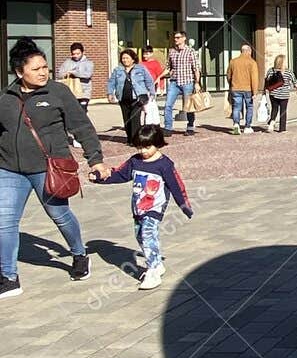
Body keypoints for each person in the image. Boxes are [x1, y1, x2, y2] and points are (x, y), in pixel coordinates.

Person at [1, 38, 103, 297]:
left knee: (59, 216)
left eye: (45, 67)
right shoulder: (6, 97)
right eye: (36, 69)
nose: (43, 72)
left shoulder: (58, 92)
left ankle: (79, 255)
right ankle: (9, 277)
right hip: (10, 169)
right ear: (19, 72)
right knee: (5, 222)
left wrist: (96, 159)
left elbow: (82, 127)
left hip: (48, 168)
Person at [90, 123, 193, 291]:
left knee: (147, 235)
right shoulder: (135, 161)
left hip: (154, 208)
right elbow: (120, 174)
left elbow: (176, 185)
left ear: (158, 143)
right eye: (139, 147)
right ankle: (158, 263)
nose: (143, 151)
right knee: (139, 235)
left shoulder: (164, 164)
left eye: (147, 147)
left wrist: (184, 205)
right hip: (138, 207)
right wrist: (101, 178)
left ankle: (152, 271)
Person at [107, 48, 155, 145]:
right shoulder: (118, 70)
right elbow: (111, 82)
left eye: (127, 58)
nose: (125, 60)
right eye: (123, 58)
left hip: (138, 97)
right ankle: (129, 138)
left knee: (134, 119)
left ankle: (135, 140)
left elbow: (149, 80)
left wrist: (152, 92)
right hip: (123, 98)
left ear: (133, 59)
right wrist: (110, 93)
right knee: (126, 119)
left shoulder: (140, 68)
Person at [164, 30, 201, 135]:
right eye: (175, 38)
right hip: (174, 82)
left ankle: (190, 127)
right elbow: (168, 67)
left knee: (188, 106)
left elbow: (196, 68)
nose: (176, 39)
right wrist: (158, 77)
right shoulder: (171, 51)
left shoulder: (191, 51)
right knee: (168, 105)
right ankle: (168, 128)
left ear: (184, 38)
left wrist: (197, 83)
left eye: (178, 37)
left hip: (187, 82)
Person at [227, 43, 259, 136]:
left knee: (236, 107)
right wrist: (255, 91)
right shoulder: (252, 62)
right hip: (248, 89)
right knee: (249, 107)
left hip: (235, 88)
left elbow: (229, 75)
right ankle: (247, 127)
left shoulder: (233, 61)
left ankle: (236, 124)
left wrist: (231, 84)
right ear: (249, 51)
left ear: (241, 51)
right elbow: (254, 78)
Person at [264, 55, 297, 132]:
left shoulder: (271, 70)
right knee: (283, 111)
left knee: (274, 109)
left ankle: (272, 122)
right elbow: (295, 81)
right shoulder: (288, 71)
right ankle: (282, 129)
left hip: (273, 94)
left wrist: (266, 90)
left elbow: (267, 80)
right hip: (284, 95)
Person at [58, 43, 94, 111]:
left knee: (82, 111)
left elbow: (87, 75)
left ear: (83, 52)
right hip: (71, 91)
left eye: (78, 54)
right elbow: (60, 74)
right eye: (73, 54)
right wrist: (65, 74)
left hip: (84, 92)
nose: (75, 56)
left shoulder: (88, 63)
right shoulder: (67, 62)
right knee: (71, 112)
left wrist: (73, 72)